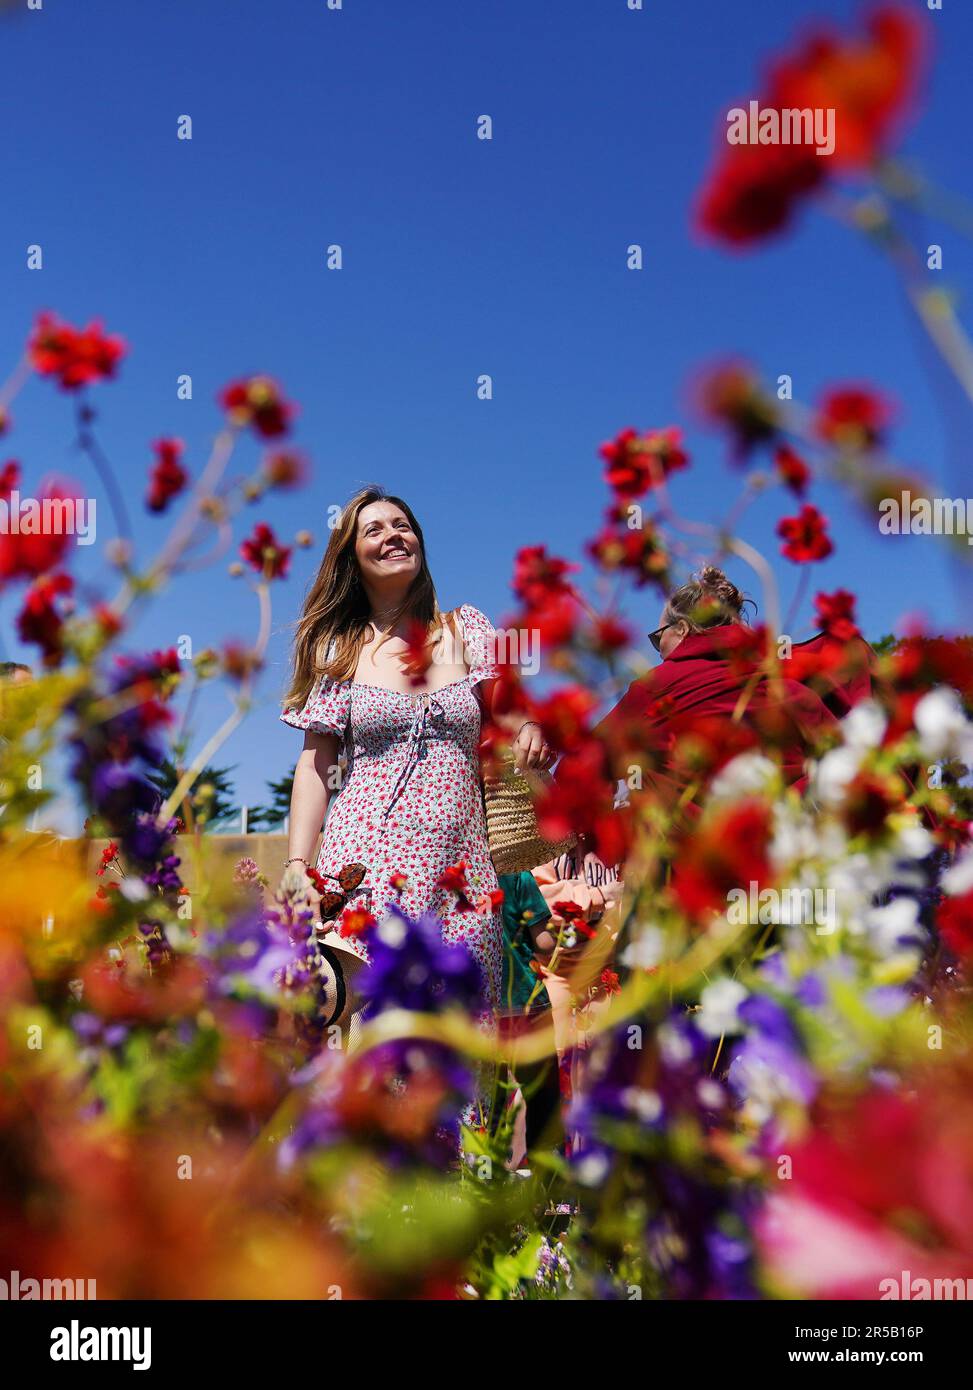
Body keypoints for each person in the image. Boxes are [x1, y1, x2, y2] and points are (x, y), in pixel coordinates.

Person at [279, 486, 552, 1029]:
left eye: (402, 525)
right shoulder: (340, 651)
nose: (393, 535)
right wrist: (297, 866)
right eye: (374, 529)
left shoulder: (465, 628)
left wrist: (528, 726)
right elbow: (314, 767)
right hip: (364, 862)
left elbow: (505, 706)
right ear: (351, 558)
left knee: (460, 1030)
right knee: (372, 1026)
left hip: (463, 869)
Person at [589, 564, 873, 813]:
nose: (658, 651)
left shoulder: (653, 687)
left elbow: (584, 761)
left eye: (657, 638)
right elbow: (853, 768)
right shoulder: (792, 685)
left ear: (683, 629)